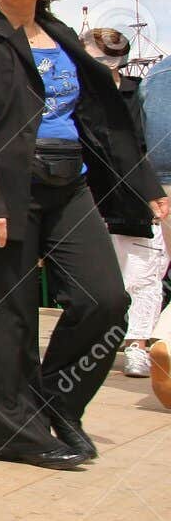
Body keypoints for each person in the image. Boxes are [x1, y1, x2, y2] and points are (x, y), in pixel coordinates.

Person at [0, 0, 166, 469]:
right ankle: (11, 434)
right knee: (8, 314)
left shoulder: (63, 36)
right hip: (4, 188)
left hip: (71, 184)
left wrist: (145, 186)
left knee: (105, 300)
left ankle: (57, 403)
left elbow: (103, 119)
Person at [83, 28, 166, 379]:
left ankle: (137, 344)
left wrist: (151, 190)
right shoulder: (75, 95)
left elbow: (145, 142)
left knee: (143, 273)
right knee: (98, 276)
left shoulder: (138, 91)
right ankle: (99, 341)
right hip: (87, 193)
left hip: (134, 192)